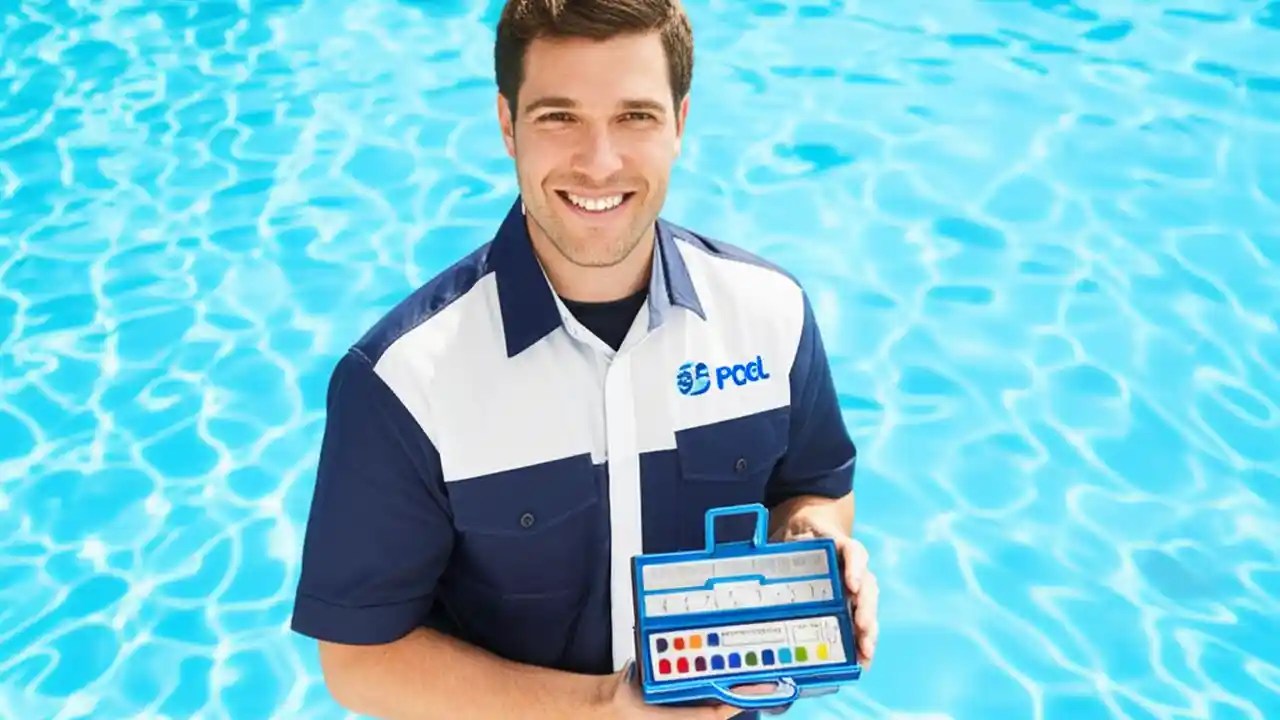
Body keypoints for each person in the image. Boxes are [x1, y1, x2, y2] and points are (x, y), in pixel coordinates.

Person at [289, 0, 879, 717]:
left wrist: (811, 546)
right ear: (507, 125)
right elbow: (360, 661)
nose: (600, 164)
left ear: (680, 123)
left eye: (635, 117)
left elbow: (814, 487)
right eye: (559, 117)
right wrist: (602, 710)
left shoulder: (770, 314)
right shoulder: (403, 382)